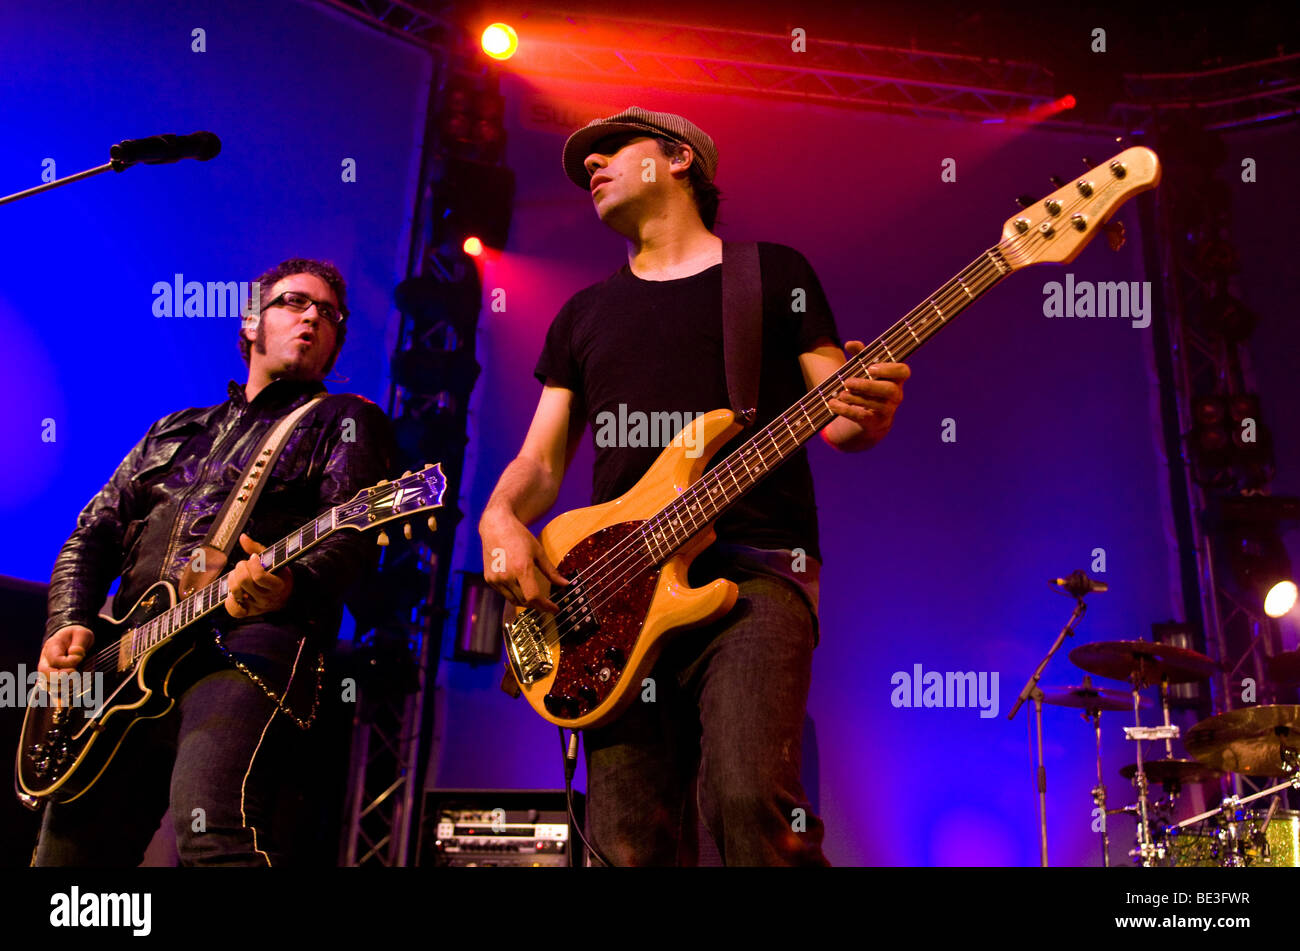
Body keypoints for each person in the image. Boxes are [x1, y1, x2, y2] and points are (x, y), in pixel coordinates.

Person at [479, 107, 911, 865]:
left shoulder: (774, 273)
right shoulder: (583, 313)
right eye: (588, 158)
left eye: (614, 148)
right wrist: (499, 518)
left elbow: (839, 420)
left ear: (679, 159)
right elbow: (542, 462)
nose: (592, 165)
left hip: (754, 574)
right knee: (626, 839)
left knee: (748, 801)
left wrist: (869, 409)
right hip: (609, 600)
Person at [33, 257, 396, 866]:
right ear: (250, 323)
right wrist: (67, 620)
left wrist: (289, 585)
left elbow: (352, 544)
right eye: (293, 303)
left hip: (248, 644)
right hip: (123, 664)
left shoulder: (346, 421)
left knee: (214, 832)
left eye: (329, 314)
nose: (312, 317)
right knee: (68, 860)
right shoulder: (174, 431)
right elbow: (92, 534)